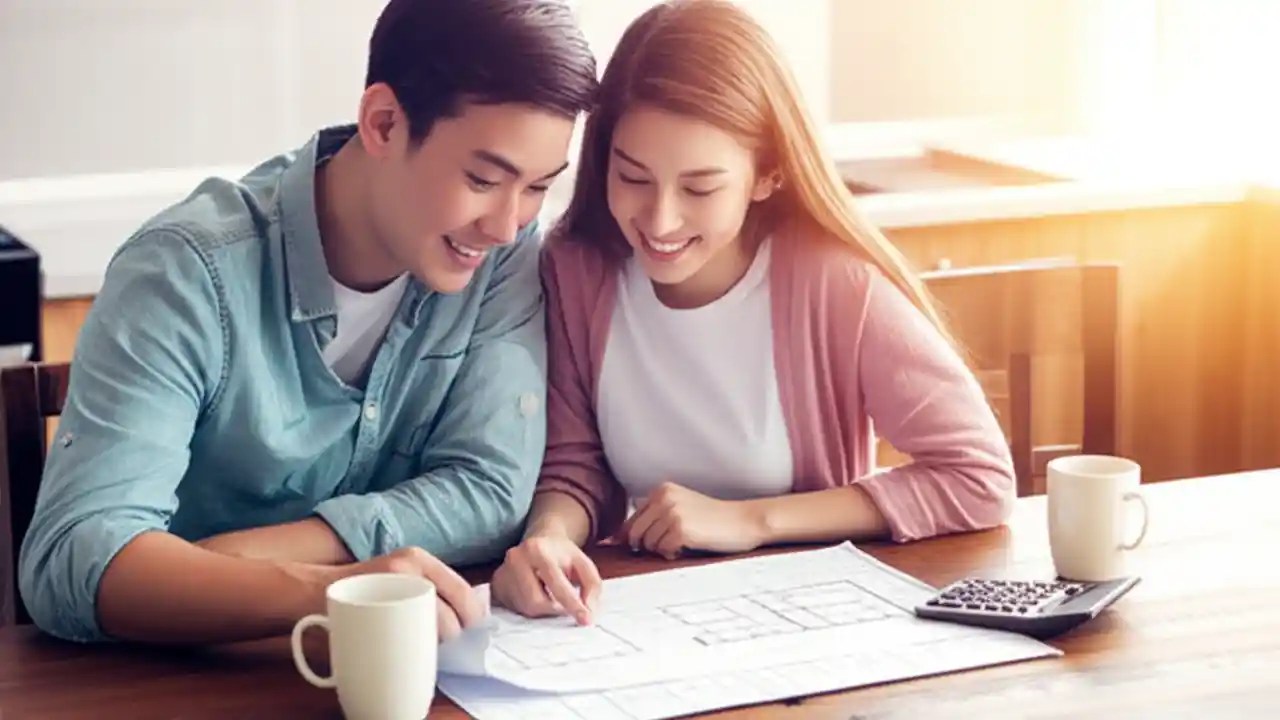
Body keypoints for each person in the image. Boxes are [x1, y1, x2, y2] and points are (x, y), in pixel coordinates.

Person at [19, 0, 596, 644]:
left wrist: (252, 555)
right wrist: (335, 591)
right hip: (169, 677)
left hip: (379, 669)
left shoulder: (501, 253)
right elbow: (70, 562)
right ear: (383, 124)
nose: (508, 224)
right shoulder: (185, 274)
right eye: (483, 179)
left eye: (538, 188)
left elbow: (489, 488)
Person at [490, 0, 1015, 624]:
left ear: (766, 174)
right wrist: (549, 538)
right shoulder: (576, 269)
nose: (660, 220)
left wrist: (750, 520)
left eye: (699, 188)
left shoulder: (832, 283)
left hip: (811, 619)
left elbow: (978, 478)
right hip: (645, 614)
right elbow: (575, 466)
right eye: (632, 177)